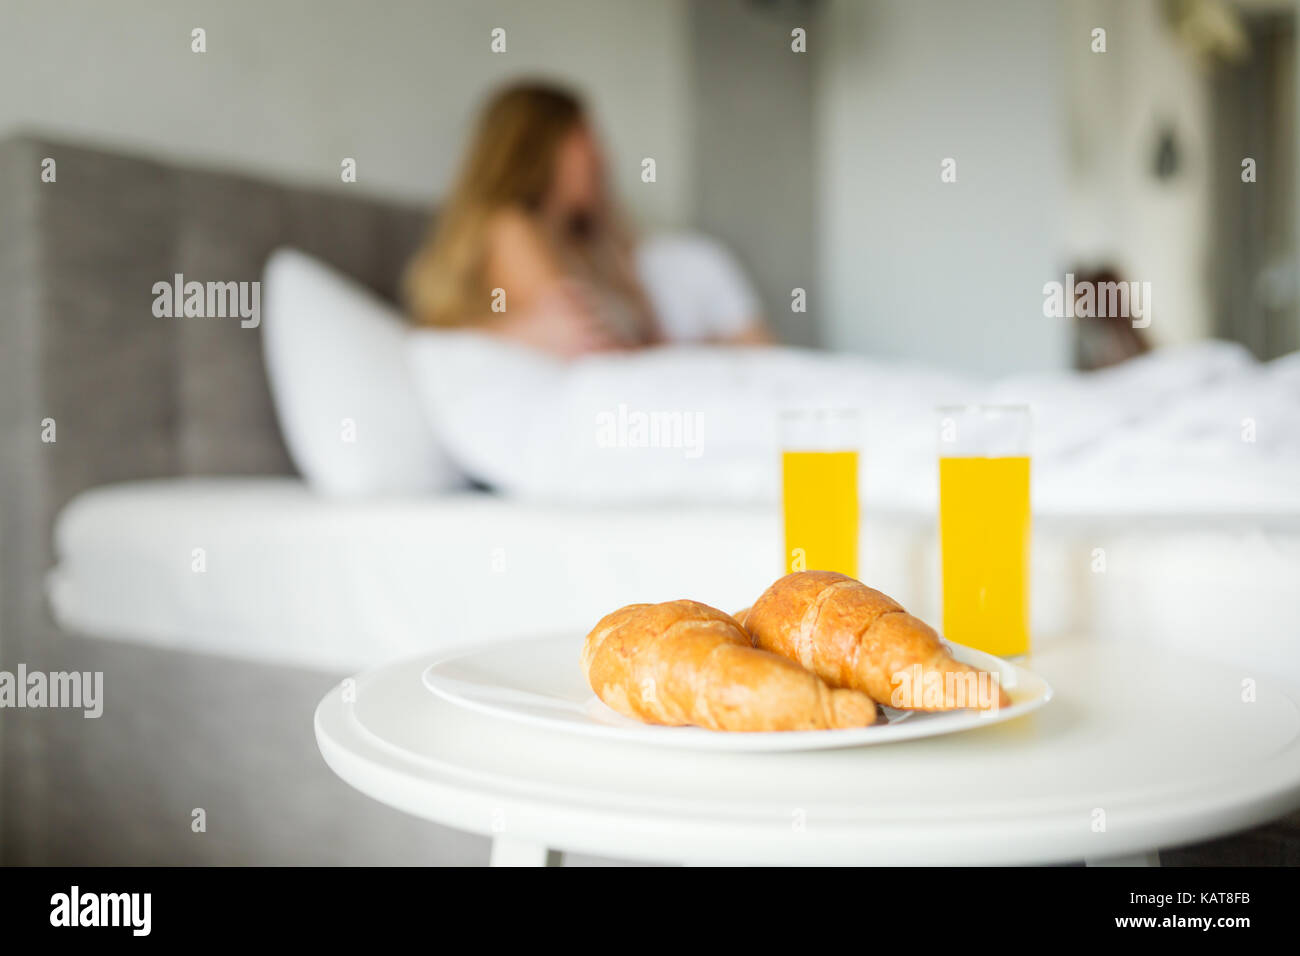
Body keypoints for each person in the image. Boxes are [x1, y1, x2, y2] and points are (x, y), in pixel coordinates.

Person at [404, 81, 771, 357]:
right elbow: (591, 344)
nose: (603, 158)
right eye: (587, 138)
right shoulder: (510, 229)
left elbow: (644, 337)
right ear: (540, 149)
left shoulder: (583, 245)